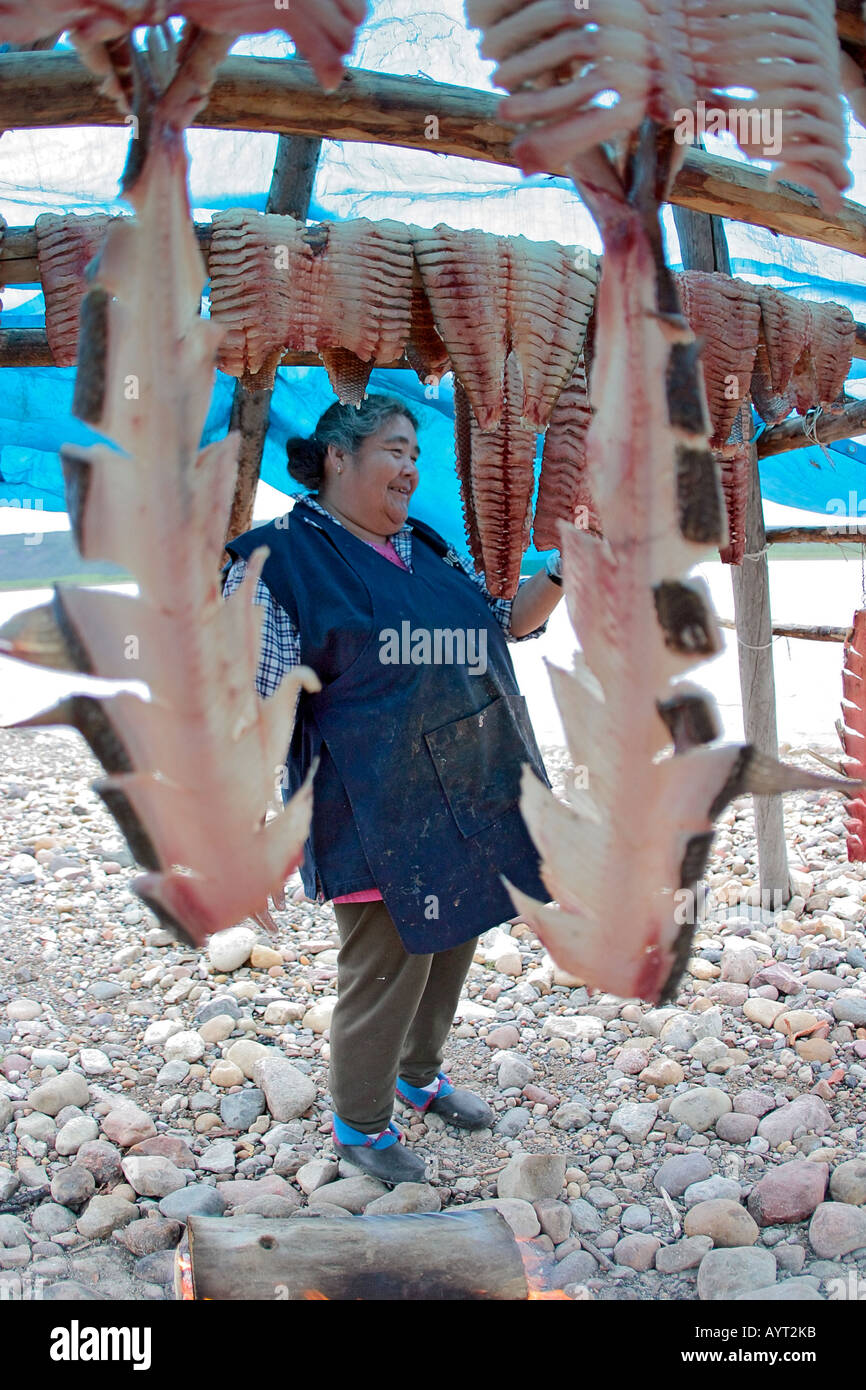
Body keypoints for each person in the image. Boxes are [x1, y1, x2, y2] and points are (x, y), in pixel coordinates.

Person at [222, 394, 565, 1183]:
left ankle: (419, 1076)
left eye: (416, 454)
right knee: (387, 960)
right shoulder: (276, 558)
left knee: (456, 935)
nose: (412, 469)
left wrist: (559, 572)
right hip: (373, 801)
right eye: (395, 450)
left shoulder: (428, 547)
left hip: (473, 782)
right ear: (337, 458)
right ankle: (362, 1125)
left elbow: (509, 622)